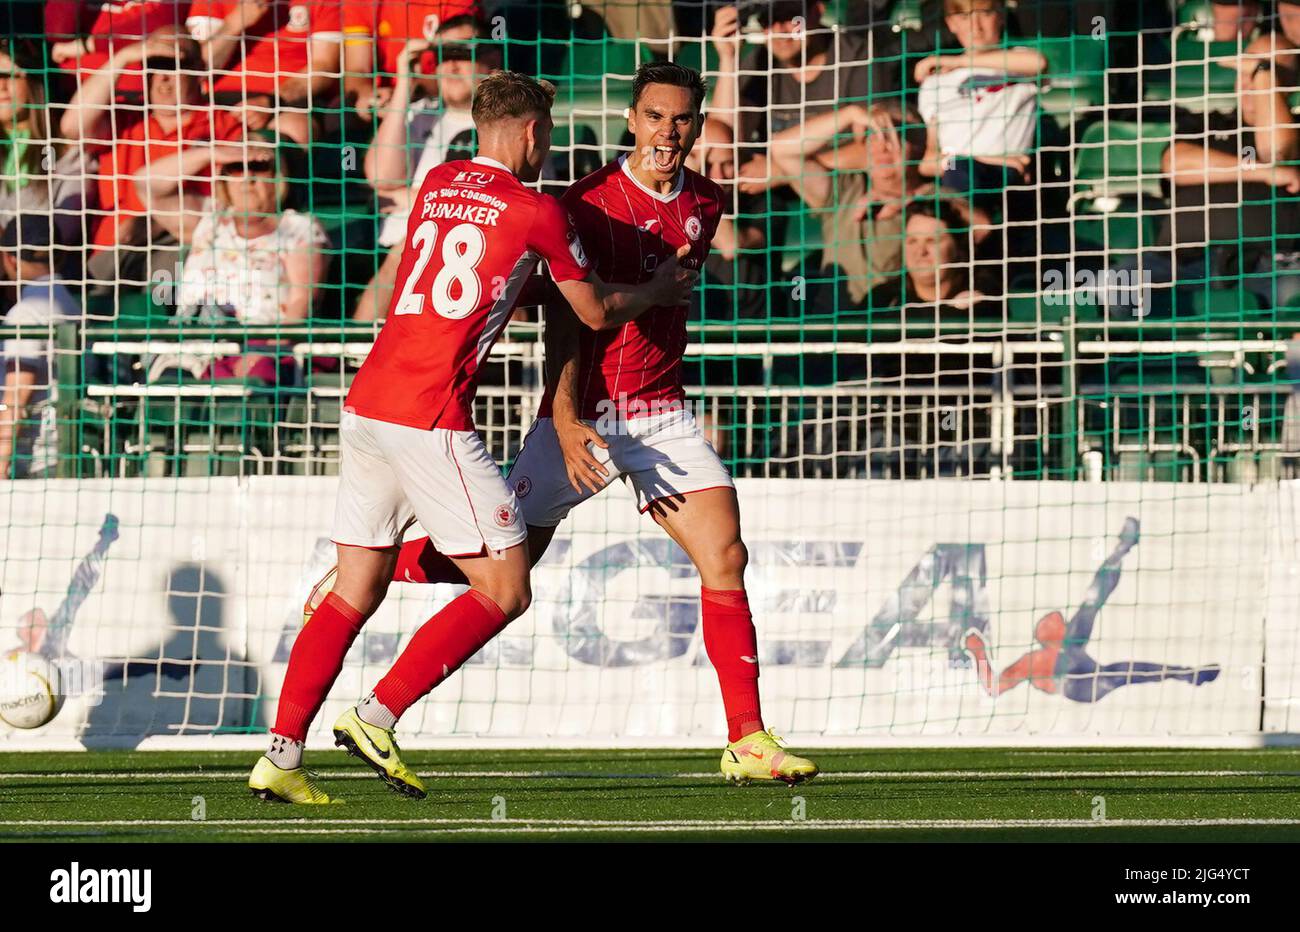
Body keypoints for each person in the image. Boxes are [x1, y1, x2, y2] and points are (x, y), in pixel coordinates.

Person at [310, 62, 821, 786]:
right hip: (584, 415)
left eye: (681, 119)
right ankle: (376, 599)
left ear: (699, 126)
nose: (666, 132)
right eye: (653, 116)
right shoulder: (585, 202)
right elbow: (564, 319)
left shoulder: (707, 201)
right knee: (507, 566)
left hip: (662, 415)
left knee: (725, 553)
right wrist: (567, 414)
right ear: (631, 120)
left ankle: (747, 738)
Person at [247, 70, 699, 804]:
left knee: (354, 588)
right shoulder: (539, 210)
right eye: (547, 136)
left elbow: (477, 270)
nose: (548, 150)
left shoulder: (440, 180)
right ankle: (377, 715)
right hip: (430, 418)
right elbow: (591, 313)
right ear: (530, 134)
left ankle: (280, 755)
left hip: (366, 406)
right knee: (506, 585)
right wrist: (653, 292)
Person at [963, 519, 1222, 702]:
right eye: (1056, 621)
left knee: (1091, 609)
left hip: (1085, 671)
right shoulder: (1033, 661)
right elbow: (993, 687)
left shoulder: (1071, 640)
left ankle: (1120, 552)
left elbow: (1094, 600)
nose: (1061, 620)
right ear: (1044, 633)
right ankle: (1120, 551)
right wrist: (979, 652)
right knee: (1117, 670)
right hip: (1075, 685)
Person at [137, 138, 329, 382]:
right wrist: (211, 154)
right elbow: (145, 184)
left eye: (259, 167)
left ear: (279, 176)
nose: (247, 177)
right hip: (193, 339)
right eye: (237, 167)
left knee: (254, 382)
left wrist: (263, 352)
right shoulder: (207, 219)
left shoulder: (298, 228)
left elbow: (301, 302)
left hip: (259, 344)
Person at [0, 216, 82, 480]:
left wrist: (0, 462)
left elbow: (18, 395)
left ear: (9, 259)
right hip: (66, 449)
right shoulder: (71, 304)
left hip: (34, 459)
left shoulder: (25, 313)